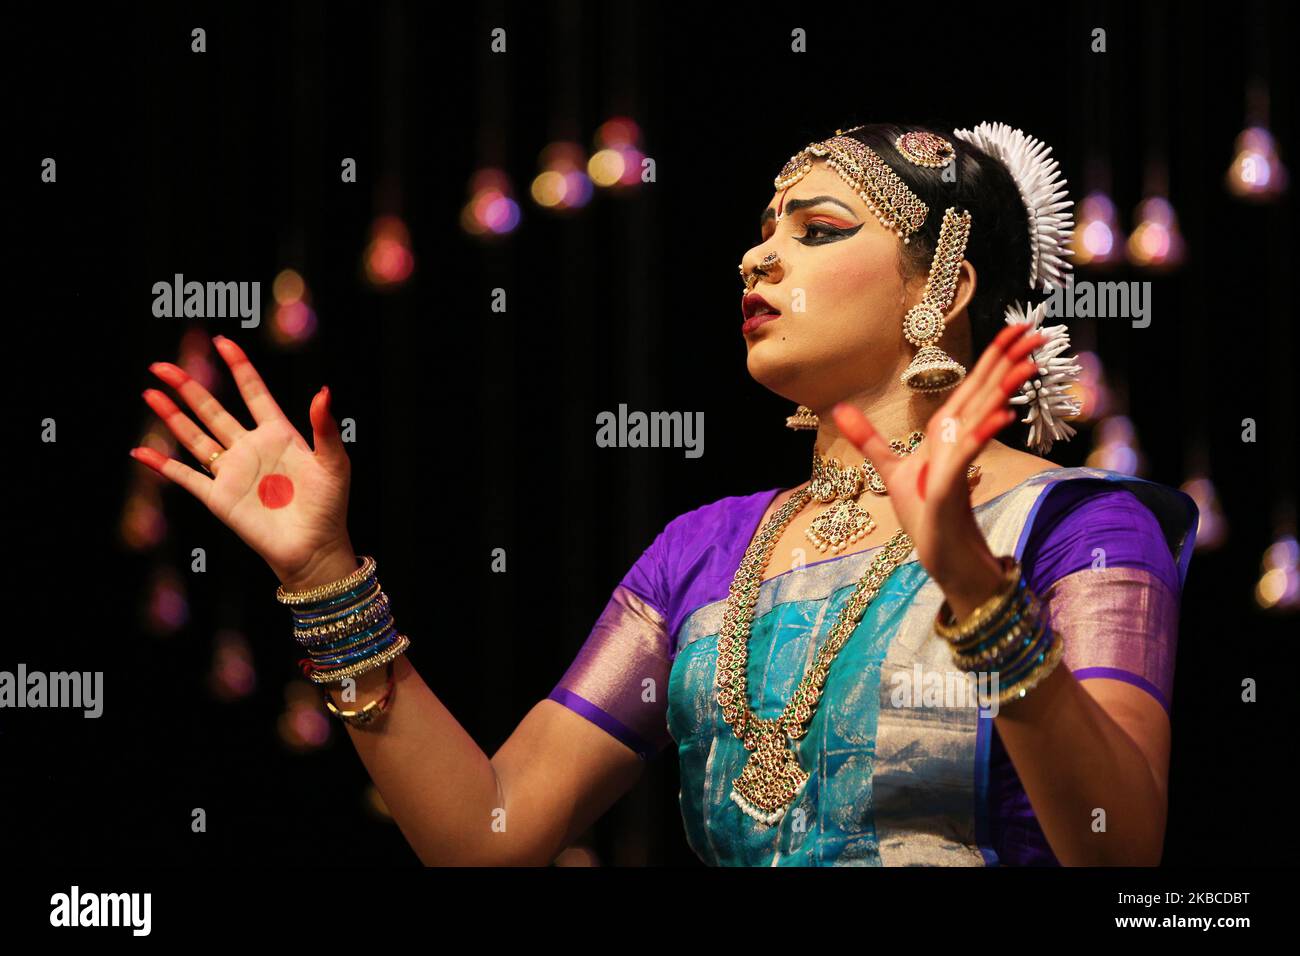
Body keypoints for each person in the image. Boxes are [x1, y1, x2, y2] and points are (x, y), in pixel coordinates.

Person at [131, 121, 1197, 867]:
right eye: (764, 230)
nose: (756, 256)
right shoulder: (702, 551)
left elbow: (1118, 843)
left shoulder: (1081, 524)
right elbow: (490, 834)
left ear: (943, 286)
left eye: (815, 231)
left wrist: (972, 585)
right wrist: (324, 577)